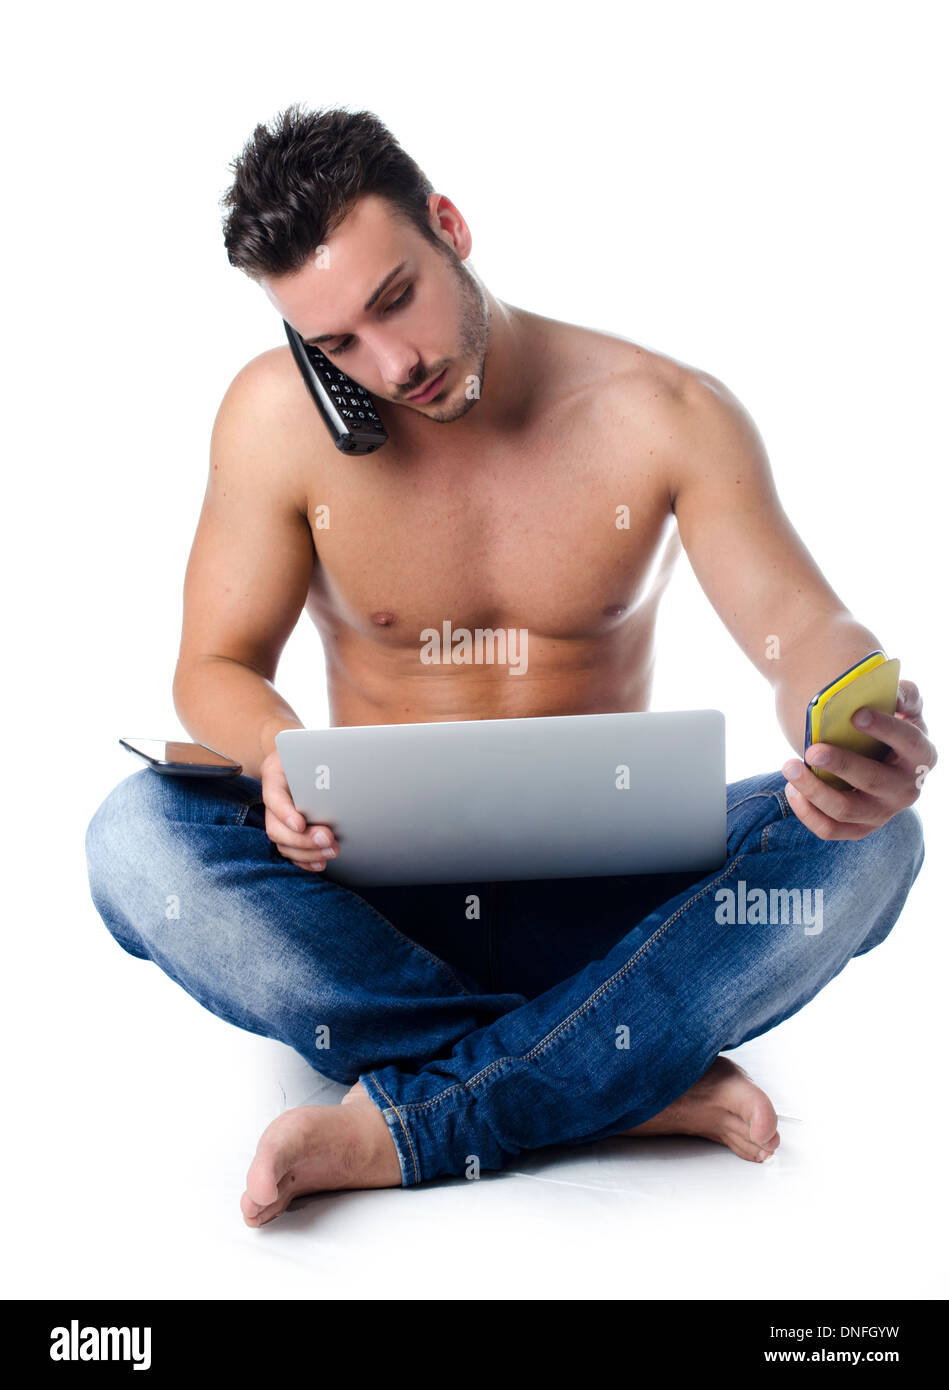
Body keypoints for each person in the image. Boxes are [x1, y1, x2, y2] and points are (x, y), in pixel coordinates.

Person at [84, 104, 933, 1227]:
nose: (392, 364)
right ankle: (618, 1068)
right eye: (336, 343)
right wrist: (274, 755)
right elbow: (215, 666)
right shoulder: (271, 421)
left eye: (396, 299)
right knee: (132, 840)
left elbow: (796, 626)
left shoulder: (665, 413)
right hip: (373, 905)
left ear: (448, 224)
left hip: (619, 901)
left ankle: (435, 1109)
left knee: (875, 841)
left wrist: (845, 708)